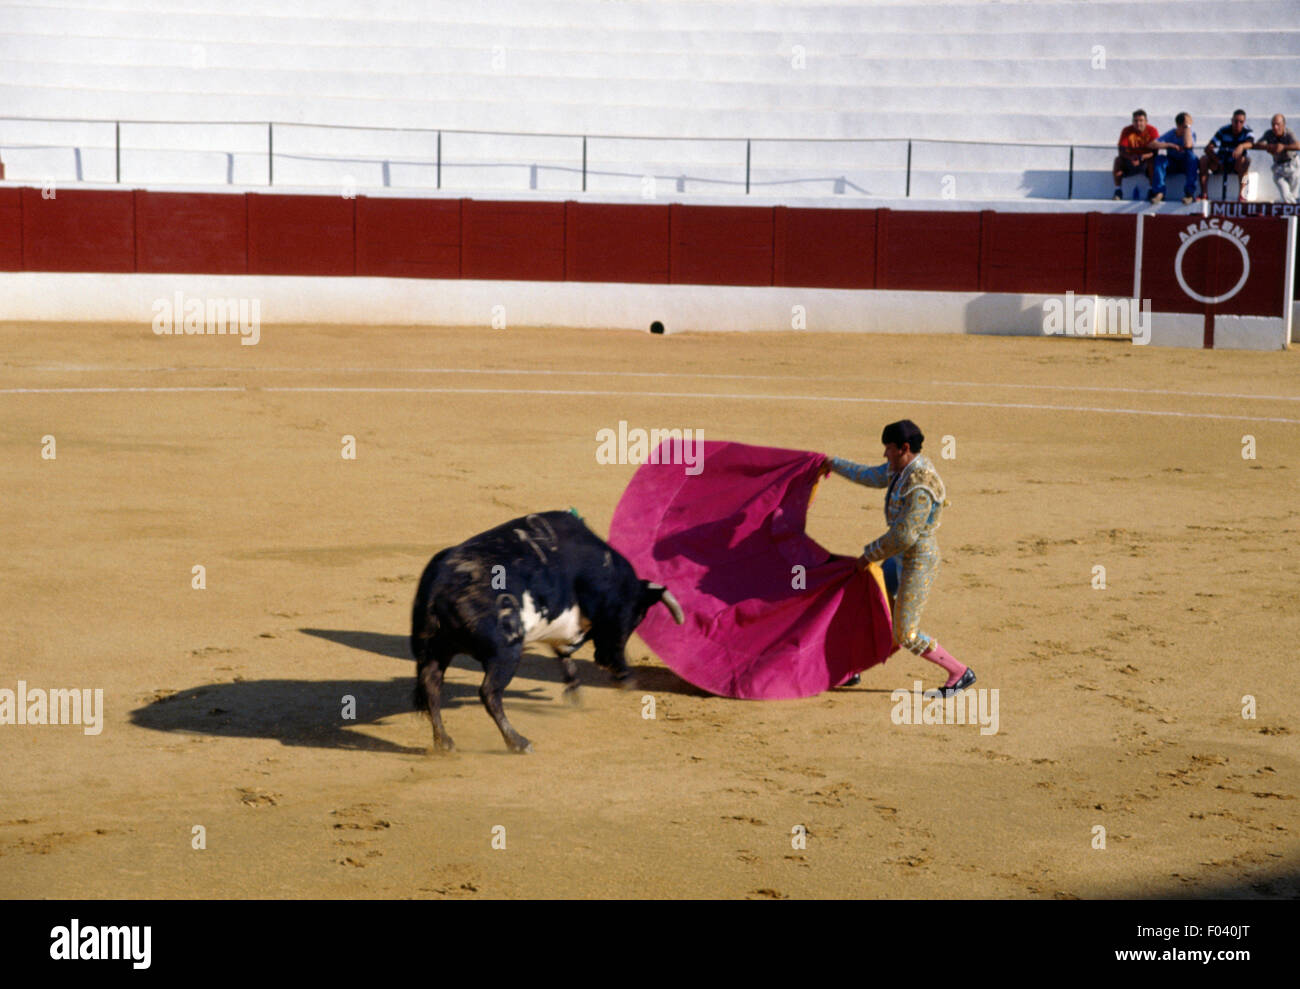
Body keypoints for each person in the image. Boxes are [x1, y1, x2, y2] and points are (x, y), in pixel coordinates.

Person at [821, 420, 975, 696]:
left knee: (906, 634)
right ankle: (851, 668)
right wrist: (833, 463)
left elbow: (905, 535)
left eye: (888, 449)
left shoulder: (920, 483)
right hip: (899, 558)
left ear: (904, 448)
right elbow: (870, 475)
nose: (884, 455)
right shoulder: (901, 469)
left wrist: (869, 555)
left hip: (918, 561)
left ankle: (959, 672)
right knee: (868, 601)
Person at [1199, 109, 1255, 202]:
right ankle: (1204, 193)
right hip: (1221, 162)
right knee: (1204, 159)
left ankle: (1242, 194)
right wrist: (1216, 159)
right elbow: (1209, 147)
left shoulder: (1247, 131)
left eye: (1241, 122)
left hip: (1237, 165)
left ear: (1244, 122)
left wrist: (1241, 146)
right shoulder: (1224, 130)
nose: (1238, 124)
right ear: (1231, 120)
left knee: (1245, 162)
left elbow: (1251, 143)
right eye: (1235, 121)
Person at [1148, 112, 1199, 204]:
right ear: (1178, 125)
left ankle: (1189, 194)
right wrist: (1169, 145)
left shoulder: (1190, 133)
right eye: (1185, 125)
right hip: (1173, 163)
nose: (1188, 127)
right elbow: (1152, 144)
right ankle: (1159, 192)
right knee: (1160, 159)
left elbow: (1188, 145)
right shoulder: (1171, 133)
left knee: (1192, 158)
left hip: (1185, 163)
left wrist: (1187, 127)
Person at [1112, 109, 1158, 200]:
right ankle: (1118, 191)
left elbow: (1155, 152)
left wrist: (1142, 157)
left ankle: (1152, 190)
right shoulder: (1127, 130)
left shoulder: (1152, 130)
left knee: (1153, 161)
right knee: (1117, 160)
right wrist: (1131, 157)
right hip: (1130, 162)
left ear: (1146, 121)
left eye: (1141, 121)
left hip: (1145, 162)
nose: (1138, 123)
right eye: (1136, 121)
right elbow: (1121, 150)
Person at [1255, 113, 1300, 204]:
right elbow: (1258, 144)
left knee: (1294, 194)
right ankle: (1291, 209)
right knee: (1285, 193)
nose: (1275, 127)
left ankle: (1292, 215)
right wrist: (1269, 147)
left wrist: (1284, 147)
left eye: (1278, 124)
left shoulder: (1288, 133)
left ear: (1283, 125)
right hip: (1278, 166)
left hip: (1292, 165)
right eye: (1273, 124)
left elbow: (1298, 146)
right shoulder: (1269, 134)